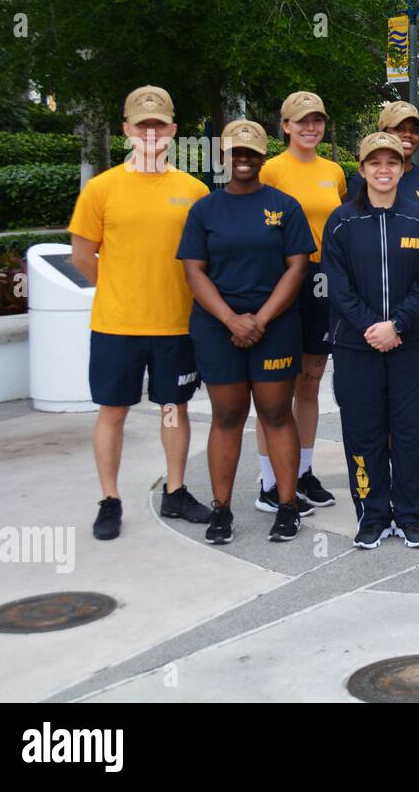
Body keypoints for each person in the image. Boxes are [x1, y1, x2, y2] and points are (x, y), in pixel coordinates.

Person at [69, 86, 212, 540]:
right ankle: (109, 500)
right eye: (141, 125)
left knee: (174, 409)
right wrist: (119, 289)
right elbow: (82, 255)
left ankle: (175, 490)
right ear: (128, 129)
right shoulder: (102, 188)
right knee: (113, 412)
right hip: (117, 325)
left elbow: (205, 258)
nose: (150, 132)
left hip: (175, 324)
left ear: (172, 130)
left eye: (159, 125)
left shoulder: (193, 190)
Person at [177, 120, 315, 543]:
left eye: (251, 152)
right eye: (235, 152)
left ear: (261, 156)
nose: (243, 159)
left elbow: (298, 266)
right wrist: (231, 320)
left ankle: (286, 505)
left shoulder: (284, 206)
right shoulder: (205, 209)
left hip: (274, 325)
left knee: (275, 413)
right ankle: (221, 510)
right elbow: (194, 271)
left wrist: (261, 318)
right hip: (219, 327)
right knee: (227, 415)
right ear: (224, 156)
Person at [322, 132, 419, 549]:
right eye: (374, 162)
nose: (383, 169)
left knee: (410, 434)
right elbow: (337, 287)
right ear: (361, 169)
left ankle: (411, 516)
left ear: (400, 168)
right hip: (357, 347)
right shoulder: (341, 221)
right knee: (363, 432)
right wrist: (371, 329)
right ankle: (372, 515)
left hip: (410, 346)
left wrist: (397, 325)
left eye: (390, 162)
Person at [348, 100, 419, 509]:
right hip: (375, 316)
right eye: (399, 127)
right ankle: (386, 472)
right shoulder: (364, 184)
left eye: (413, 127)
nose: (408, 134)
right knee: (383, 393)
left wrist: (410, 311)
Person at [254, 90, 346, 513]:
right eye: (301, 120)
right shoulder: (270, 170)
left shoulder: (334, 172)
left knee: (309, 382)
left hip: (324, 280)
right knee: (276, 389)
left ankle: (304, 472)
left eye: (317, 120)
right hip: (282, 279)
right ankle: (270, 481)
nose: (311, 127)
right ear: (285, 126)